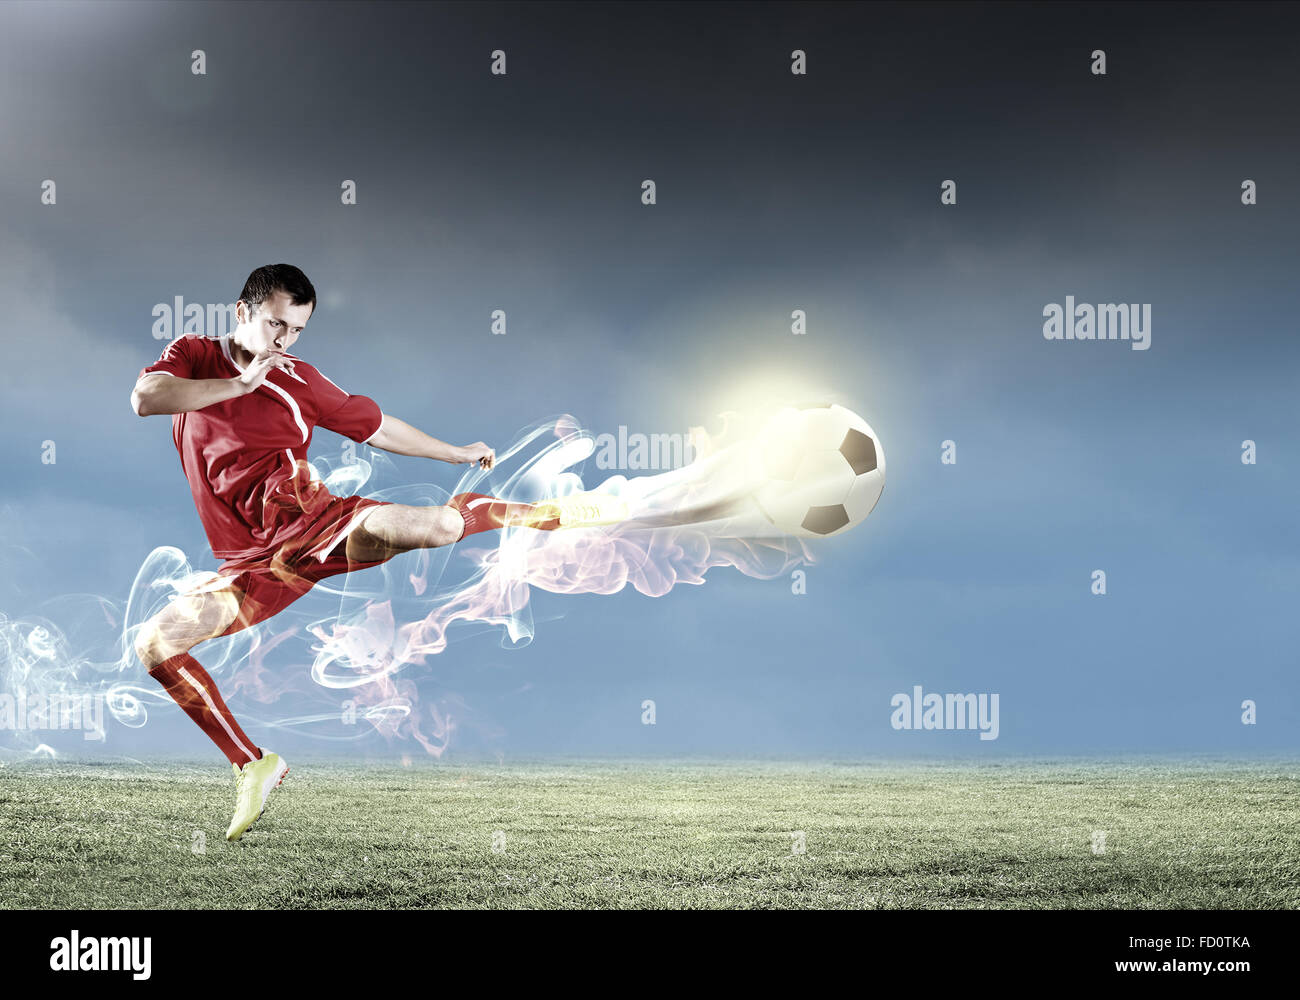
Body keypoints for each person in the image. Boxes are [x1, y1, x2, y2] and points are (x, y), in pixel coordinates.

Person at [130, 264, 623, 841]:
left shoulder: (300, 383)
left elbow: (380, 427)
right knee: (156, 644)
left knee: (439, 528)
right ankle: (254, 763)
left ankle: (548, 513)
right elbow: (147, 398)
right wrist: (240, 385)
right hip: (249, 568)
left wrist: (456, 452)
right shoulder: (191, 355)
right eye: (274, 324)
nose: (283, 341)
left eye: (295, 330)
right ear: (242, 313)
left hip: (316, 526)